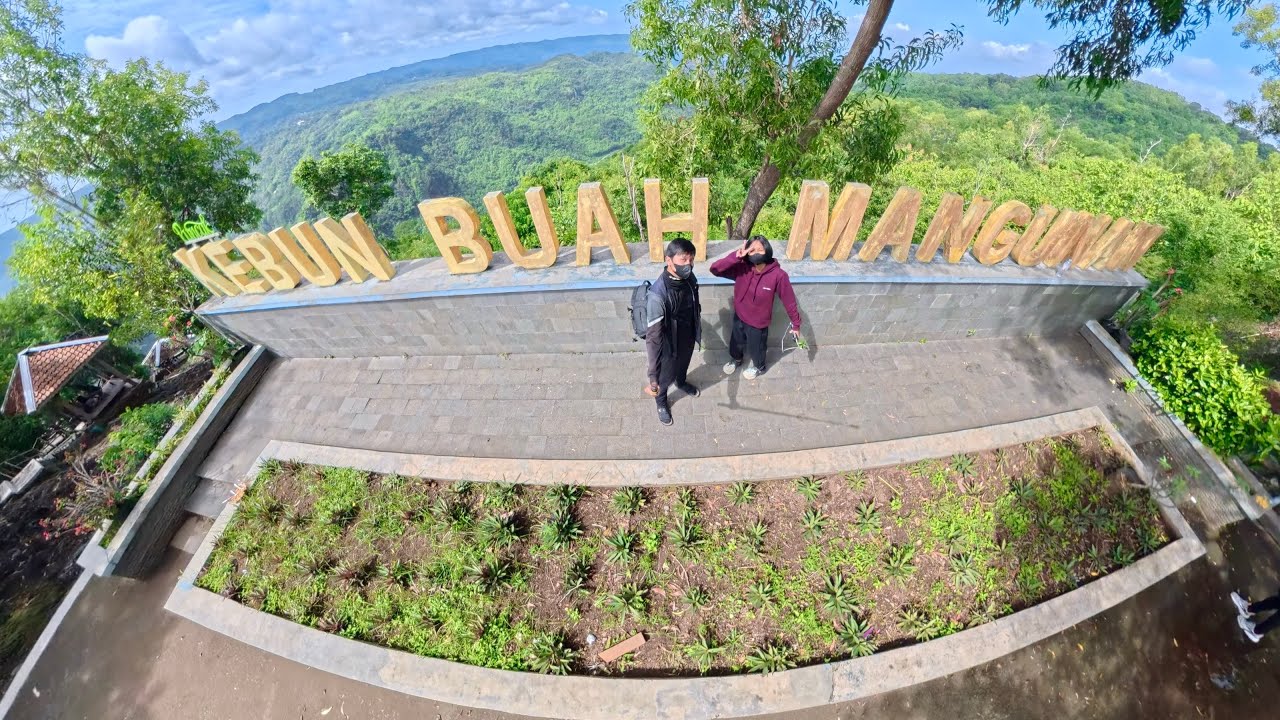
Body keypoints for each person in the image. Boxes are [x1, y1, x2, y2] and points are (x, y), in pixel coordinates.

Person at [710, 235, 802, 379]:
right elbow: (715, 269)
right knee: (736, 342)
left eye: (760, 249)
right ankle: (737, 359)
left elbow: (789, 301)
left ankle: (759, 367)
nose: (757, 253)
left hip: (758, 323)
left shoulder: (778, 275)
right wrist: (736, 256)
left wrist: (796, 324)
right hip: (739, 315)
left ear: (767, 251)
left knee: (757, 348)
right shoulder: (741, 268)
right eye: (752, 250)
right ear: (747, 253)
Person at [644, 237, 701, 426]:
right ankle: (661, 402)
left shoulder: (689, 277)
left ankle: (681, 382)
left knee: (683, 365)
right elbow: (653, 338)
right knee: (664, 377)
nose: (689, 264)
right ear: (669, 260)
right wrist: (653, 375)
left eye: (691, 259)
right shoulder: (657, 295)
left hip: (687, 335)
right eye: (683, 260)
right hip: (669, 345)